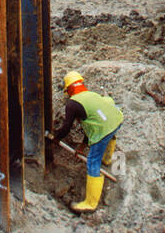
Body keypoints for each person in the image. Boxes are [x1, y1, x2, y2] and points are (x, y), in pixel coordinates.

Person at [51, 70, 123, 213]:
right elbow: (91, 125)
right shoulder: (92, 95)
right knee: (110, 134)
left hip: (103, 129)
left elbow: (66, 128)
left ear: (69, 89)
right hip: (116, 119)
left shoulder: (72, 104)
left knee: (92, 162)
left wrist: (55, 138)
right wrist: (83, 146)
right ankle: (108, 159)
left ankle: (90, 203)